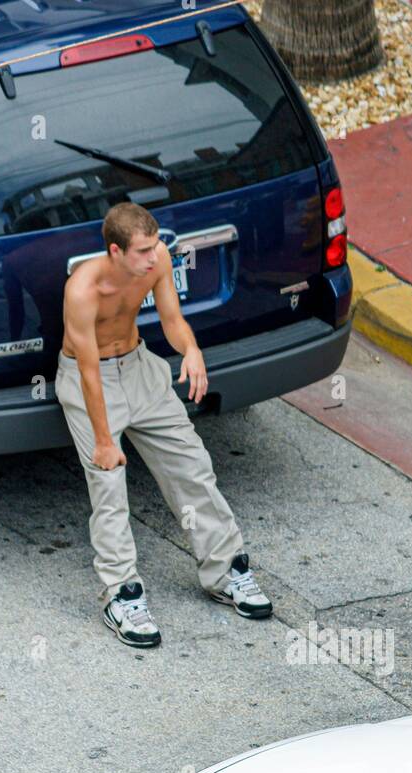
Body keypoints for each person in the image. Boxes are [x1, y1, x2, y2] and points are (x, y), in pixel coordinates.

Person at [55, 202, 272, 649]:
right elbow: (89, 372)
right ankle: (122, 595)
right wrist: (103, 440)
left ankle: (225, 569)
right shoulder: (83, 291)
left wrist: (190, 350)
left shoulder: (157, 260)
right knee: (109, 484)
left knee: (192, 465)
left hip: (140, 367)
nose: (153, 258)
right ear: (115, 251)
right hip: (89, 380)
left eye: (155, 247)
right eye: (142, 251)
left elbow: (172, 320)